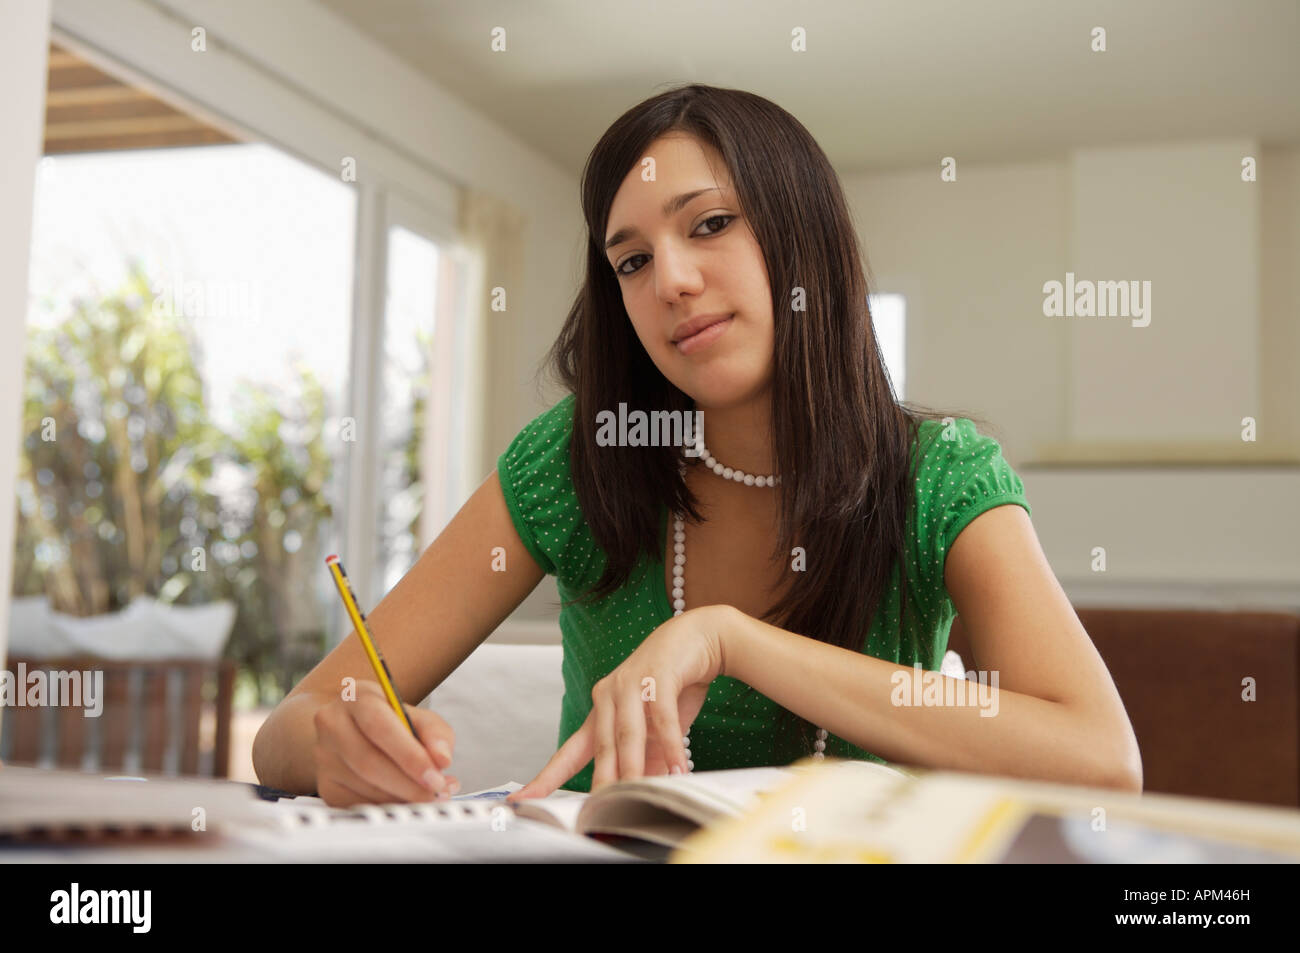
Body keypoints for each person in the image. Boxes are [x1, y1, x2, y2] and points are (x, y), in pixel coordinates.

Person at [253, 84, 1141, 807]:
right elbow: (288, 725)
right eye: (631, 260)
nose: (670, 281)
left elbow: (1102, 759)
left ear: (805, 244)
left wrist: (729, 640)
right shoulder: (576, 460)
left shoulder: (938, 473)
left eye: (709, 224)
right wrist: (338, 748)